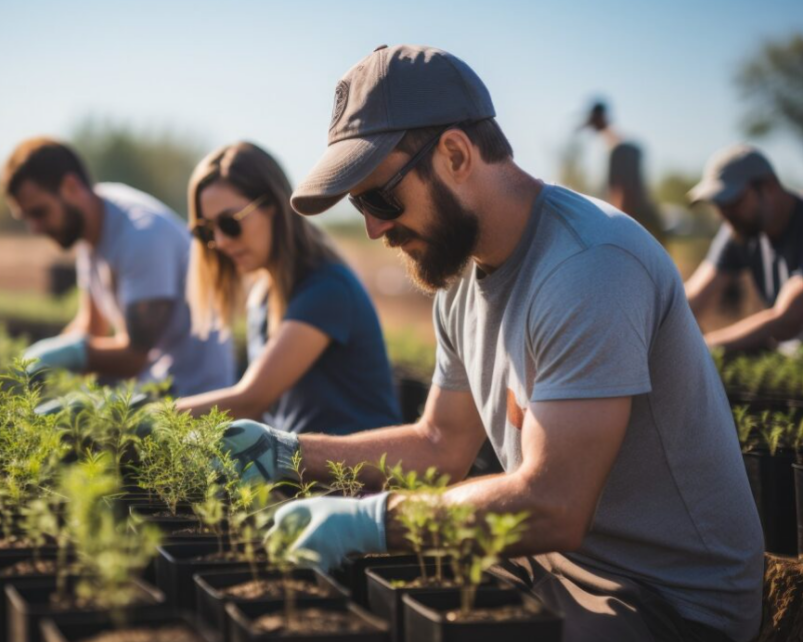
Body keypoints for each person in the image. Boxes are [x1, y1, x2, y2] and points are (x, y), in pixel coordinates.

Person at [219, 45, 762, 642]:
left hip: (667, 602)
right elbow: (440, 443)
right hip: (550, 563)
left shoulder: (589, 266)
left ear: (454, 155)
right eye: (358, 205)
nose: (373, 228)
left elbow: (555, 503)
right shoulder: (458, 283)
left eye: (380, 197)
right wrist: (288, 454)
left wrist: (372, 519)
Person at [174, 142, 401, 436]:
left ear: (273, 207)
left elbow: (250, 400)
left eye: (230, 224)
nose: (221, 242)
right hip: (305, 473)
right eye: (206, 231)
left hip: (357, 476)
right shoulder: (263, 295)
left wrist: (147, 419)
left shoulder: (326, 289)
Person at [1, 137, 235, 396]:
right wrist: (40, 359)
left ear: (70, 187)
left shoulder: (141, 235)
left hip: (199, 399)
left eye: (40, 212)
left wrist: (63, 356)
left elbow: (133, 357)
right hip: (153, 391)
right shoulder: (88, 226)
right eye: (27, 218)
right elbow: (92, 326)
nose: (34, 228)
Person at [684, 144, 803, 350]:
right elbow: (694, 297)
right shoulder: (739, 226)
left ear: (769, 188)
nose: (725, 214)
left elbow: (786, 320)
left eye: (733, 201)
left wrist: (699, 350)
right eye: (719, 205)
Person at [585, 101, 666, 244]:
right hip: (644, 212)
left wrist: (620, 225)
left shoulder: (617, 148)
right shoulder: (616, 143)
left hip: (634, 216)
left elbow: (622, 188)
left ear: (599, 118)